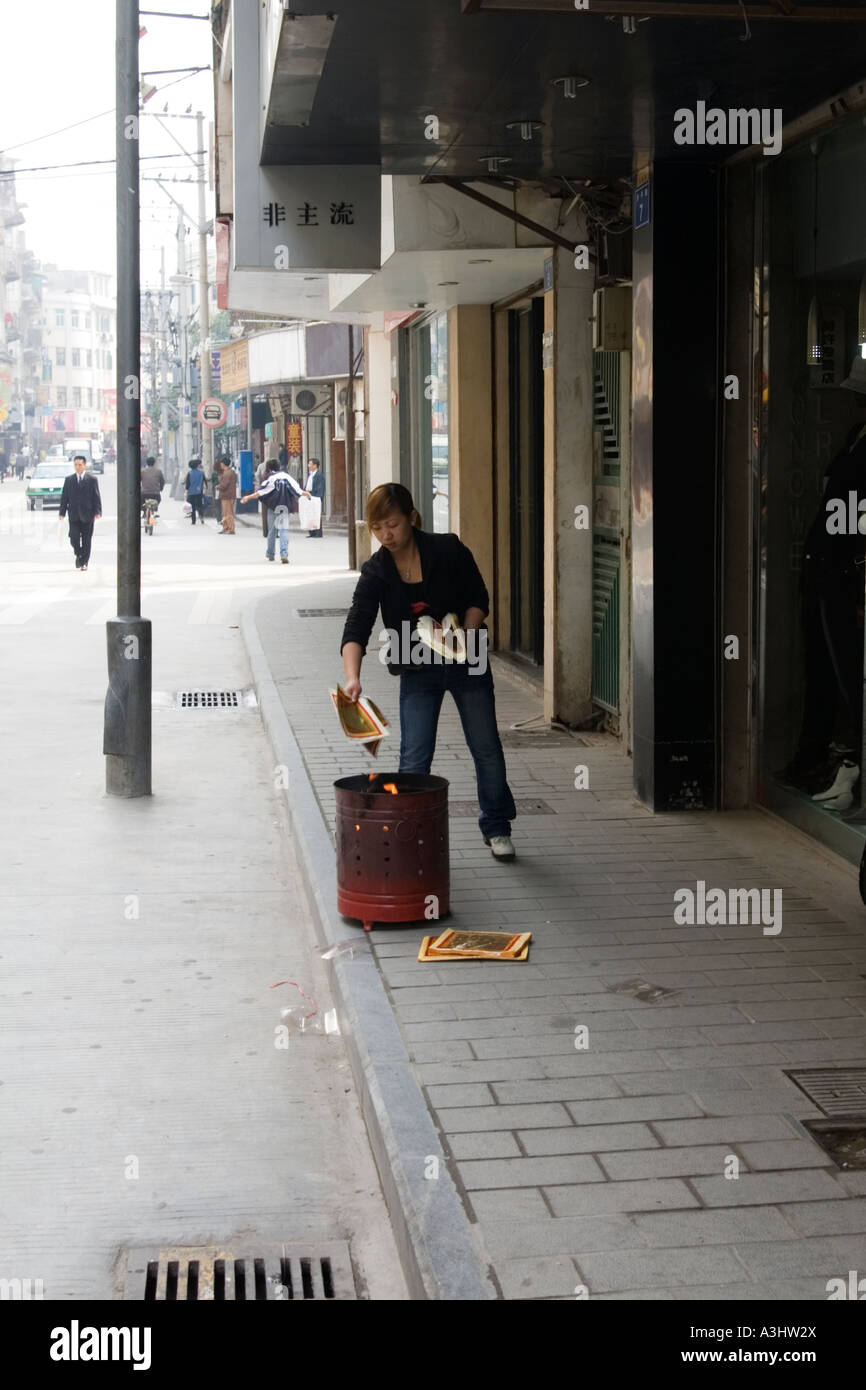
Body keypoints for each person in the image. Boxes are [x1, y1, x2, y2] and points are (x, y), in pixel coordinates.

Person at [340, 482, 517, 861]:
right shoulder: (376, 571)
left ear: (411, 518)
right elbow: (357, 626)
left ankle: (497, 826)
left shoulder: (448, 548)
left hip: (466, 661)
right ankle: (409, 836)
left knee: (485, 746)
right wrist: (353, 677)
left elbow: (478, 598)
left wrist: (462, 636)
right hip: (416, 666)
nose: (386, 535)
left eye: (392, 524)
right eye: (377, 528)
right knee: (415, 755)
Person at [240, 466, 309, 563]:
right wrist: (307, 494)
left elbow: (261, 491)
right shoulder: (288, 478)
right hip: (284, 508)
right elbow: (298, 491)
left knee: (272, 531)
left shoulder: (272, 478)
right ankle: (284, 554)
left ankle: (270, 553)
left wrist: (248, 497)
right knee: (284, 530)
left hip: (273, 508)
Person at [59, 454, 102, 571]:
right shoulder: (69, 480)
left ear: (84, 465)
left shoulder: (92, 480)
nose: (77, 467)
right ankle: (79, 554)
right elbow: (64, 498)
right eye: (75, 465)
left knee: (87, 539)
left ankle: (84, 562)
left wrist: (98, 511)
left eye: (80, 465)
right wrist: (62, 512)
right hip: (73, 515)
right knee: (74, 538)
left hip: (88, 514)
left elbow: (96, 496)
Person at [305, 457, 325, 537]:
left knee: (316, 515)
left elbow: (321, 488)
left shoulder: (319, 475)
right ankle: (312, 532)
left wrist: (317, 498)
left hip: (315, 496)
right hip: (309, 495)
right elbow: (307, 485)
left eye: (310, 464)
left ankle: (318, 533)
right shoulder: (311, 474)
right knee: (310, 514)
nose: (308, 466)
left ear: (315, 466)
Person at [217, 454, 237, 533]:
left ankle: (231, 528)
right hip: (227, 495)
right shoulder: (229, 472)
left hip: (227, 495)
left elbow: (224, 485)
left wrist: (218, 486)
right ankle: (225, 527)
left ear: (223, 464)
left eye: (221, 463)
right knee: (225, 513)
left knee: (228, 513)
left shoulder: (227, 473)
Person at [184, 457, 205, 525]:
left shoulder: (189, 473)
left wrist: (186, 491)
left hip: (191, 492)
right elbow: (204, 481)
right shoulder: (201, 473)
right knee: (199, 505)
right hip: (199, 491)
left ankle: (193, 521)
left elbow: (187, 484)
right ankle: (201, 517)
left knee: (192, 506)